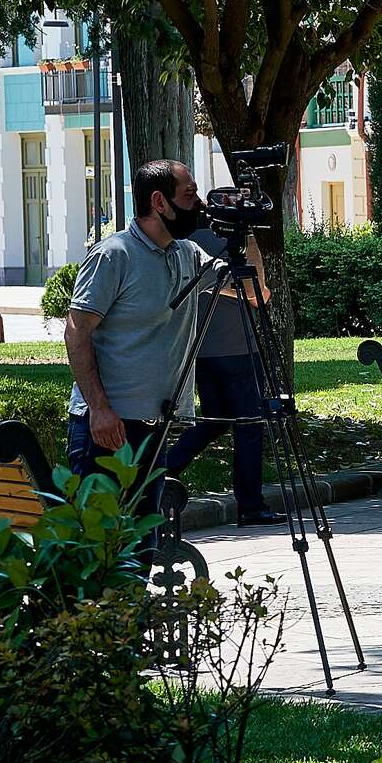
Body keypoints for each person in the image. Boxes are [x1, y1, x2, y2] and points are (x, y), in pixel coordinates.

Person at [64, 159, 213, 503]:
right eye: (190, 196)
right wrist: (99, 409)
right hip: (107, 429)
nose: (199, 204)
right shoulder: (114, 256)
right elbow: (76, 331)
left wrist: (243, 230)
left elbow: (254, 292)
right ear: (160, 202)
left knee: (142, 547)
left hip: (154, 428)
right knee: (100, 548)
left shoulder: (186, 253)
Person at [158, 226, 288, 525]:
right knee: (248, 425)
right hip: (238, 348)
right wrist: (252, 239)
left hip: (200, 350)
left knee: (214, 420)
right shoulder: (236, 241)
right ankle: (251, 506)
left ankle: (161, 473)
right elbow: (259, 294)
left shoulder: (181, 241)